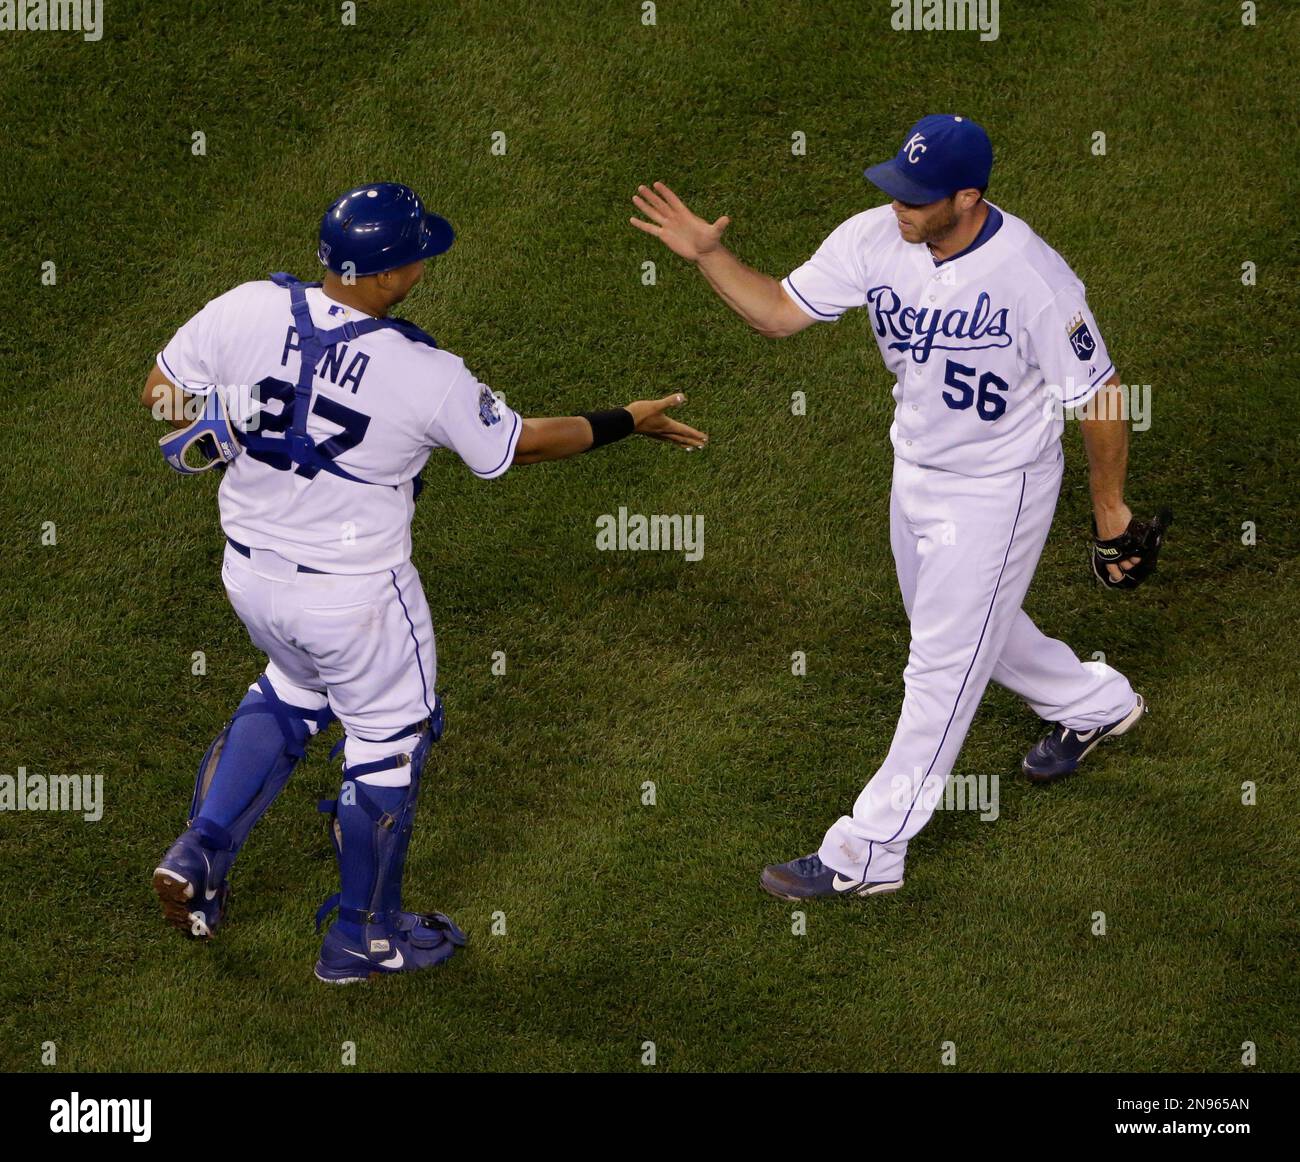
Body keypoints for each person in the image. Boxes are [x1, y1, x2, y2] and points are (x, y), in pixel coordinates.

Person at [144, 182, 707, 979]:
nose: (422, 263)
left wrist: (236, 414)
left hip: (251, 578)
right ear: (383, 276)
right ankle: (362, 941)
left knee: (292, 691)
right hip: (357, 600)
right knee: (387, 740)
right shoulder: (422, 371)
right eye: (413, 255)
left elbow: (159, 394)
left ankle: (200, 854)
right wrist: (629, 418)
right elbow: (520, 447)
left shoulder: (244, 308)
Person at [631, 115, 1151, 901]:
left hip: (998, 488)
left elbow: (1100, 393)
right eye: (896, 191)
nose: (899, 208)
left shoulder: (1031, 275)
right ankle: (1096, 702)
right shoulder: (875, 239)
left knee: (940, 665)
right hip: (915, 470)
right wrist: (711, 255)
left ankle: (870, 849)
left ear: (968, 197)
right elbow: (777, 312)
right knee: (967, 627)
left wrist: (1110, 510)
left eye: (916, 199)